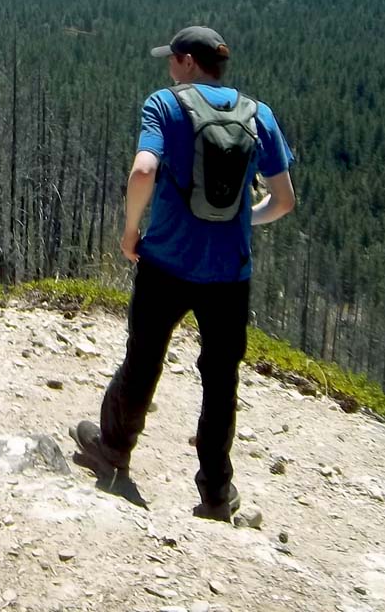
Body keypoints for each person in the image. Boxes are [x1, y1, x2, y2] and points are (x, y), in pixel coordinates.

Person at [70, 26, 296, 521]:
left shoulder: (164, 106)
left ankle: (113, 451)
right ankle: (216, 491)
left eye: (173, 59)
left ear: (190, 63)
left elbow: (143, 171)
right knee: (220, 380)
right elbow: (283, 201)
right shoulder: (260, 116)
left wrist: (131, 231)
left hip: (166, 263)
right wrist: (243, 220)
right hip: (229, 275)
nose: (169, 67)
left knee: (144, 359)